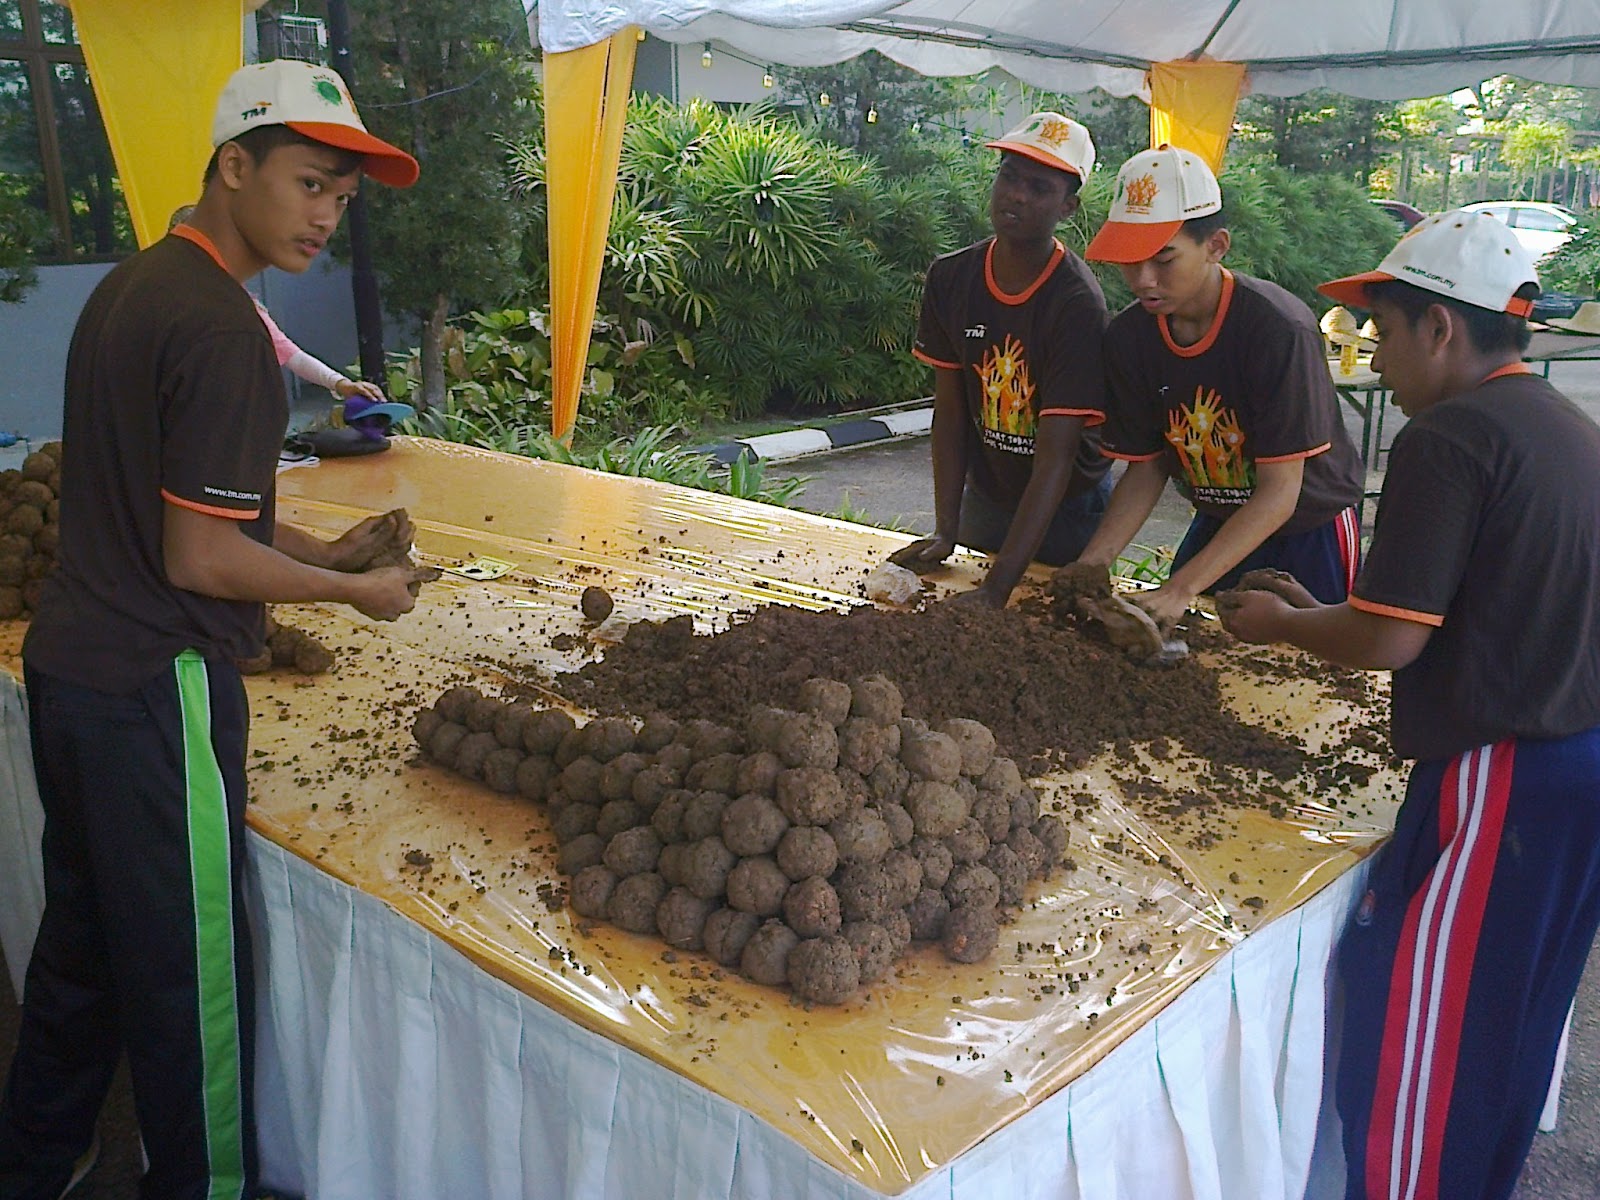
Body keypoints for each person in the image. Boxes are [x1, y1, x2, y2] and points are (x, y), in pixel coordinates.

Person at [0, 59, 431, 1200]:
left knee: (84, 941)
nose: (325, 216)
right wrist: (359, 597)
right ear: (232, 166)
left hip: (72, 669)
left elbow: (193, 507)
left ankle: (40, 1157)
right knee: (196, 982)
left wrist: (323, 551)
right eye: (306, 184)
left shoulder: (134, 287)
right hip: (156, 686)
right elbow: (199, 558)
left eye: (342, 197)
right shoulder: (225, 332)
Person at [1219, 209, 1600, 1200]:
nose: (1374, 357)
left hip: (1503, 777)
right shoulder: (1559, 426)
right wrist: (1325, 609)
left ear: (1440, 329)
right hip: (1573, 761)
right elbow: (1451, 604)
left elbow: (1392, 641)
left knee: (1425, 1039)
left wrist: (1275, 627)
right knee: (1505, 1021)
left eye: (1384, 332)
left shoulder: (1450, 436)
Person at [1071, 145, 1365, 630]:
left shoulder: (1277, 329)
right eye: (1128, 261)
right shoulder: (1129, 337)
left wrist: (1180, 587)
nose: (1143, 280)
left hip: (1309, 527)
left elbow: (1280, 492)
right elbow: (1147, 467)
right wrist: (1092, 564)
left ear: (1216, 245)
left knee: (1311, 681)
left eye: (1163, 259)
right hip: (1217, 517)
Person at [890, 112, 1112, 607]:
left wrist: (996, 589)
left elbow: (1056, 457)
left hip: (1066, 509)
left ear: (1068, 207)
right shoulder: (951, 277)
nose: (1016, 194)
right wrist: (946, 531)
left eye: (1039, 187)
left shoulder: (1075, 302)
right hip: (988, 495)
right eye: (1009, 176)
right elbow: (949, 414)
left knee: (1044, 630)